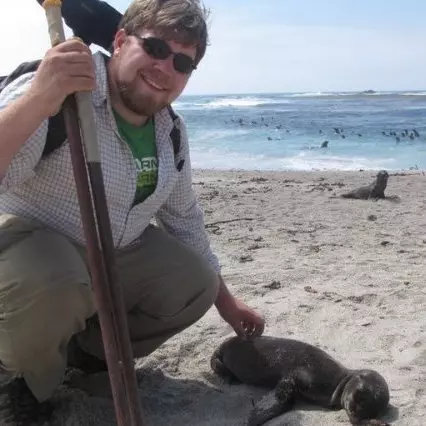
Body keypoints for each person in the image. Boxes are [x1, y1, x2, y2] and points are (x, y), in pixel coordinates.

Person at [0, 0, 265, 423]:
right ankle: (17, 380)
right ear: (121, 40)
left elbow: (185, 219)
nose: (166, 68)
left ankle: (82, 356)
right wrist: (39, 97)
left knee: (196, 279)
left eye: (182, 62)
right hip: (26, 250)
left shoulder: (170, 132)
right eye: (157, 48)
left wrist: (228, 304)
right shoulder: (59, 85)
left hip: (106, 254)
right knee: (57, 277)